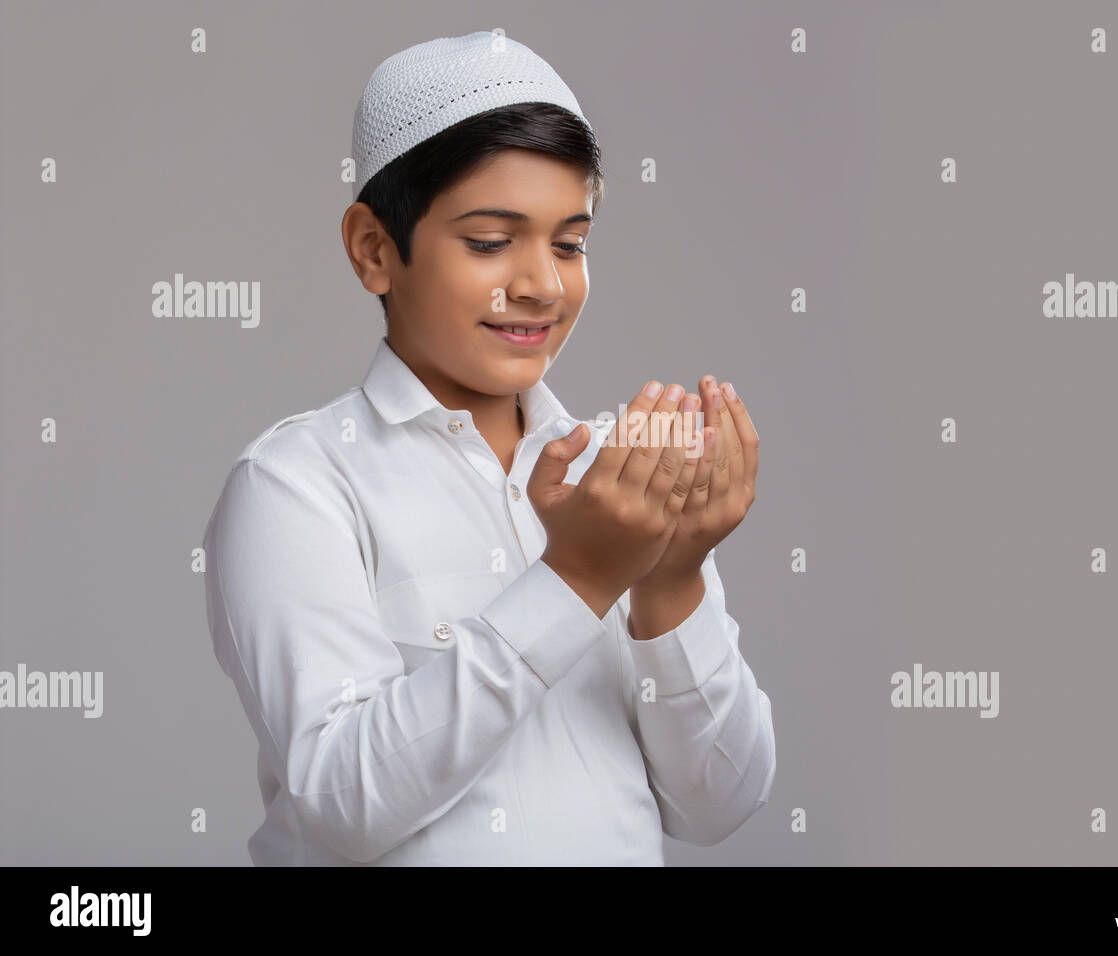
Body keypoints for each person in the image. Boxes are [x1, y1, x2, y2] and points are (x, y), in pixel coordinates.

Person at [201, 31, 774, 865]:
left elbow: (719, 805)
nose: (542, 283)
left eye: (570, 243)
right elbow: (340, 802)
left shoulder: (620, 479)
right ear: (373, 248)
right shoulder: (297, 485)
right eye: (489, 242)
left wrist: (672, 580)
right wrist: (574, 580)